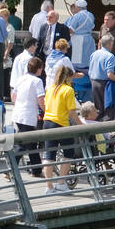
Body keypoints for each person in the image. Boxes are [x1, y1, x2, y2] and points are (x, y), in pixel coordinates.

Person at [41, 63, 81, 194]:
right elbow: (72, 112)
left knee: (49, 156)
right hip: (61, 124)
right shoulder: (68, 90)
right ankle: (61, 183)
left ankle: (49, 187)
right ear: (68, 77)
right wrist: (81, 124)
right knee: (68, 154)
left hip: (47, 122)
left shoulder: (51, 88)